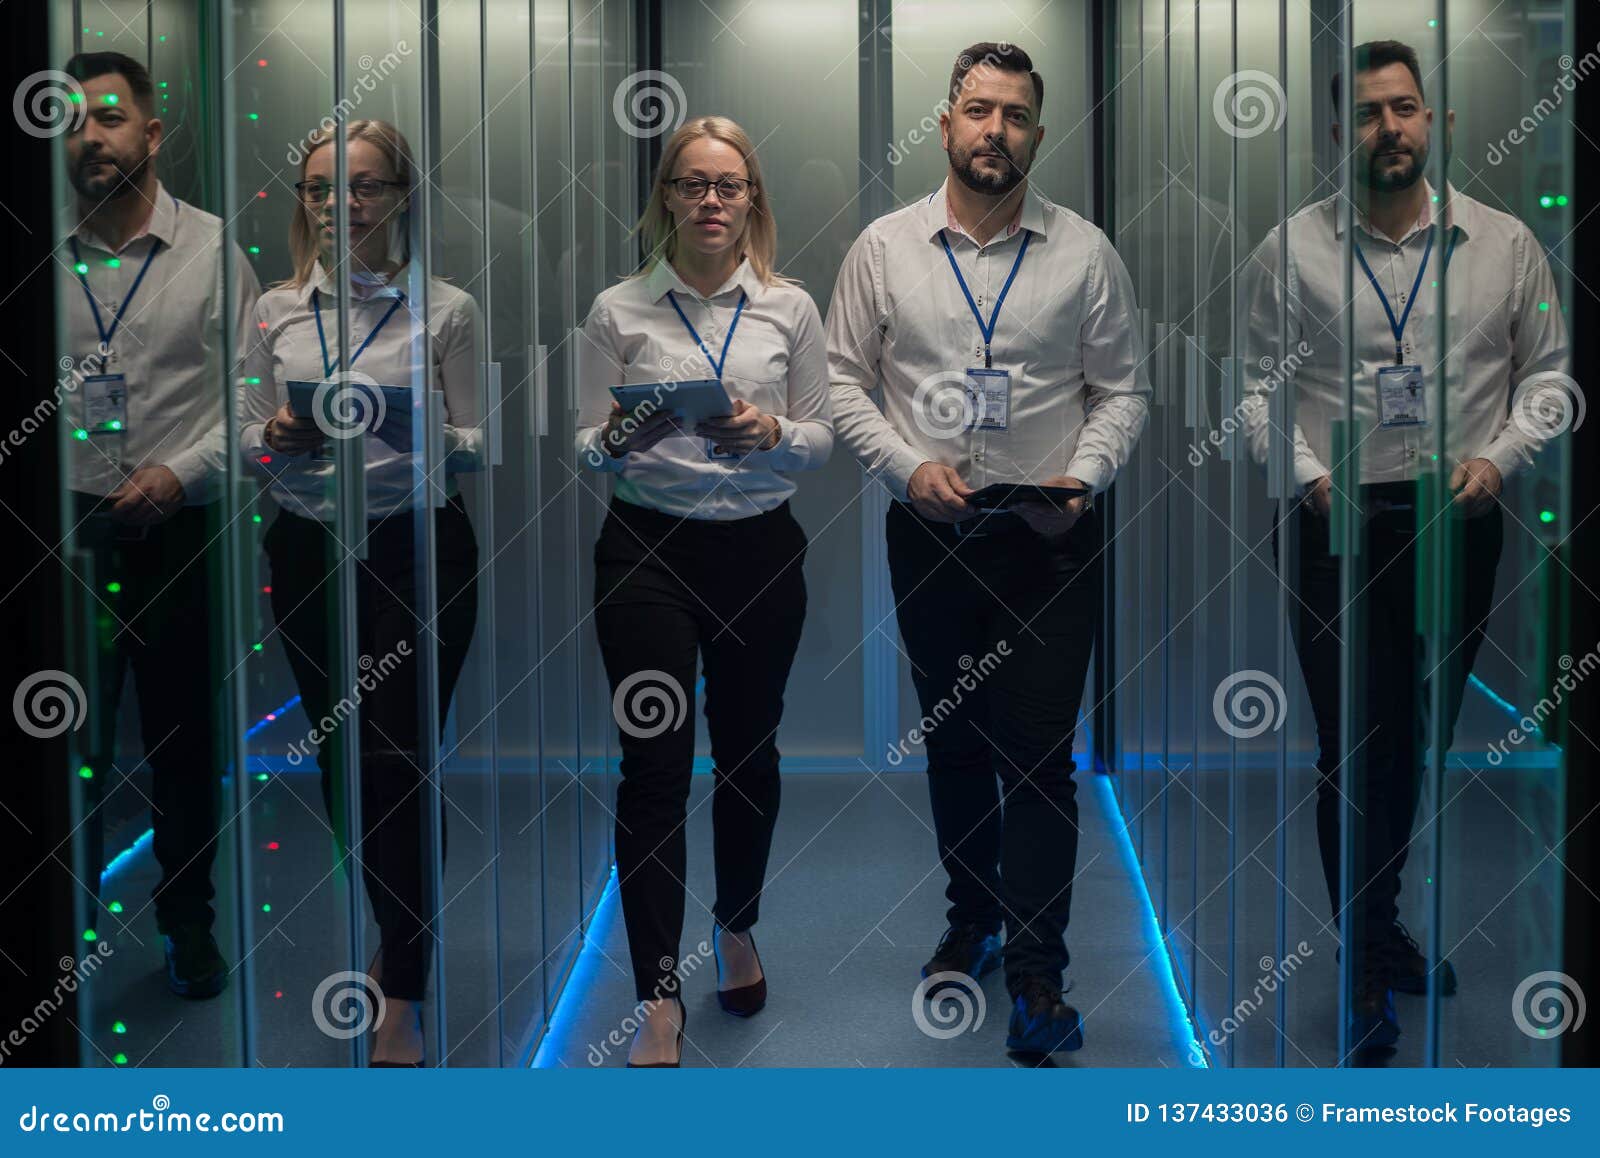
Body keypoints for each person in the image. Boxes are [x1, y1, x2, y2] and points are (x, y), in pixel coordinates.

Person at [1241, 40, 1571, 1053]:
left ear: (1436, 124)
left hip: (1455, 520)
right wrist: (1308, 476)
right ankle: (1362, 967)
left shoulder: (1505, 245)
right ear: (1342, 133)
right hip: (1337, 518)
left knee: (1409, 744)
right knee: (1354, 746)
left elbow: (1549, 380)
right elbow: (1254, 392)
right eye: (1369, 114)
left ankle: (1376, 931)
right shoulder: (1289, 248)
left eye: (1405, 109)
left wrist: (1500, 460)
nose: (1389, 128)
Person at [825, 42, 1149, 1056]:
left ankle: (1040, 977)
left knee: (1041, 759)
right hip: (933, 532)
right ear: (946, 124)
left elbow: (1123, 390)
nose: (993, 131)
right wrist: (904, 466)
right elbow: (840, 380)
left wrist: (1083, 478)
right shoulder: (884, 247)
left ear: (1036, 135)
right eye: (977, 111)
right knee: (957, 745)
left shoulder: (1084, 251)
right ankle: (973, 916)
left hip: (1048, 538)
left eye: (1013, 115)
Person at [575, 115, 834, 1067]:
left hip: (760, 552)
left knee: (747, 754)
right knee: (651, 764)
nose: (711, 201)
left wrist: (769, 432)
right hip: (647, 551)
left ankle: (736, 925)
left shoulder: (789, 309)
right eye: (692, 184)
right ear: (667, 199)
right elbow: (580, 445)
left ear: (751, 200)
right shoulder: (616, 309)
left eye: (729, 185)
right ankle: (655, 996)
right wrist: (622, 436)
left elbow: (822, 436)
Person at [241, 119, 484, 1066]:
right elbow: (250, 430)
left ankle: (408, 986)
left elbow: (477, 443)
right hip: (309, 549)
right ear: (303, 204)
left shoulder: (448, 307)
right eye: (321, 190)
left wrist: (404, 428)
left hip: (420, 547)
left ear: (401, 197)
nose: (344, 205)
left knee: (402, 757)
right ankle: (398, 924)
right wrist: (280, 442)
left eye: (368, 186)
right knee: (344, 760)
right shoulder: (274, 309)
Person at [59, 51, 265, 1001]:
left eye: (107, 118)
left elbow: (253, 405)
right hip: (59, 537)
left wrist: (180, 474)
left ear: (152, 133)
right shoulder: (38, 249)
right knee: (66, 744)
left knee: (185, 744)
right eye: (70, 119)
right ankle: (60, 931)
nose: (86, 137)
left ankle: (189, 926)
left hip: (183, 530)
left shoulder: (214, 250)